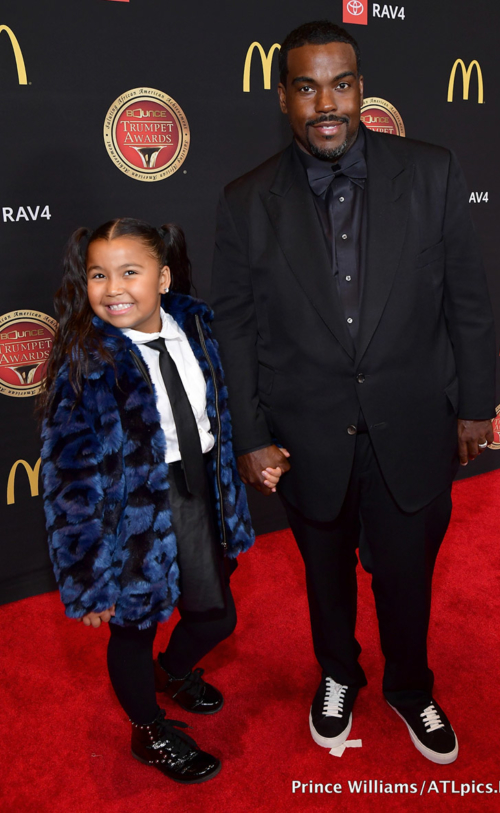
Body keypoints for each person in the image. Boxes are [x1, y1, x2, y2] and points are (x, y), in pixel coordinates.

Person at [210, 21, 495, 765]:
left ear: (361, 87)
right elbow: (234, 330)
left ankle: (410, 684)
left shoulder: (431, 172)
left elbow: (468, 298)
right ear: (284, 97)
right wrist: (247, 433)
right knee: (325, 574)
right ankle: (338, 672)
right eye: (307, 87)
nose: (326, 103)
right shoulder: (244, 202)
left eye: (341, 84)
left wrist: (475, 405)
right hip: (305, 432)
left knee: (408, 572)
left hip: (413, 423)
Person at [39, 218, 284, 783]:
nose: (113, 288)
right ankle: (147, 729)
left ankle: (171, 671)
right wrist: (85, 577)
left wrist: (256, 455)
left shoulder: (196, 327)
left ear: (164, 276)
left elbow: (221, 410)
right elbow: (68, 478)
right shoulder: (86, 360)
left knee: (217, 615)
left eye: (130, 272)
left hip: (202, 491)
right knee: (135, 624)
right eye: (98, 275)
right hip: (130, 514)